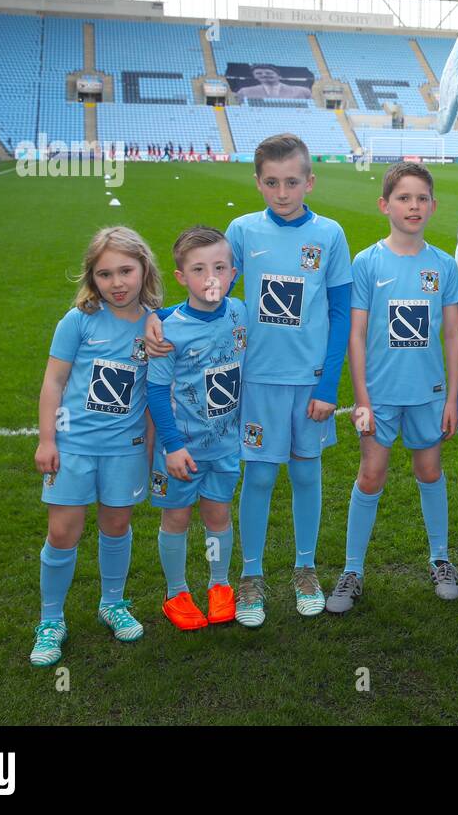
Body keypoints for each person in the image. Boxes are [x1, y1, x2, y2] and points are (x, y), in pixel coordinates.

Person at [145, 133, 351, 625]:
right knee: (258, 475)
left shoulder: (330, 235)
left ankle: (305, 570)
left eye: (293, 182)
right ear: (258, 182)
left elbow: (341, 313)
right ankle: (251, 578)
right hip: (255, 381)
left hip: (309, 381)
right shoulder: (241, 230)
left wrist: (328, 388)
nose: (283, 192)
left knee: (306, 472)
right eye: (273, 182)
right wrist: (160, 316)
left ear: (309, 181)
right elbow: (211, 290)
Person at [326, 163, 458, 614]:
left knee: (429, 472)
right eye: (404, 198)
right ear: (385, 205)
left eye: (422, 198)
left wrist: (452, 398)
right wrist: (361, 399)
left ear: (433, 206)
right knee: (371, 475)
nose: (414, 206)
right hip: (380, 396)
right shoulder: (367, 263)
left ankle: (441, 560)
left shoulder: (443, 265)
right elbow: (357, 334)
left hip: (428, 393)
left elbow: (453, 335)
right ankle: (352, 570)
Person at [29, 227, 163, 667]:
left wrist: (146, 452)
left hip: (125, 450)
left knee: (116, 527)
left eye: (126, 270)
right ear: (93, 277)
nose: (117, 282)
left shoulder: (156, 323)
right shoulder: (79, 319)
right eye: (105, 274)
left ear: (144, 268)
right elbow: (54, 381)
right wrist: (48, 439)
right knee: (63, 533)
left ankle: (113, 603)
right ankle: (51, 620)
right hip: (73, 448)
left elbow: (153, 392)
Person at [146, 226, 246, 631]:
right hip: (180, 450)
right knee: (177, 520)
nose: (211, 278)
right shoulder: (169, 332)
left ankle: (219, 584)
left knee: (218, 515)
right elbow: (155, 392)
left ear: (233, 272)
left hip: (223, 445)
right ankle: (176, 592)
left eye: (219, 267)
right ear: (181, 277)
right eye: (199, 269)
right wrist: (171, 445)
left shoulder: (239, 312)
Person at [236, 64, 312, 101]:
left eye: (269, 73)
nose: (264, 75)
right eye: (258, 73)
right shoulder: (245, 92)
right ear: (254, 77)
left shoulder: (302, 91)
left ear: (279, 76)